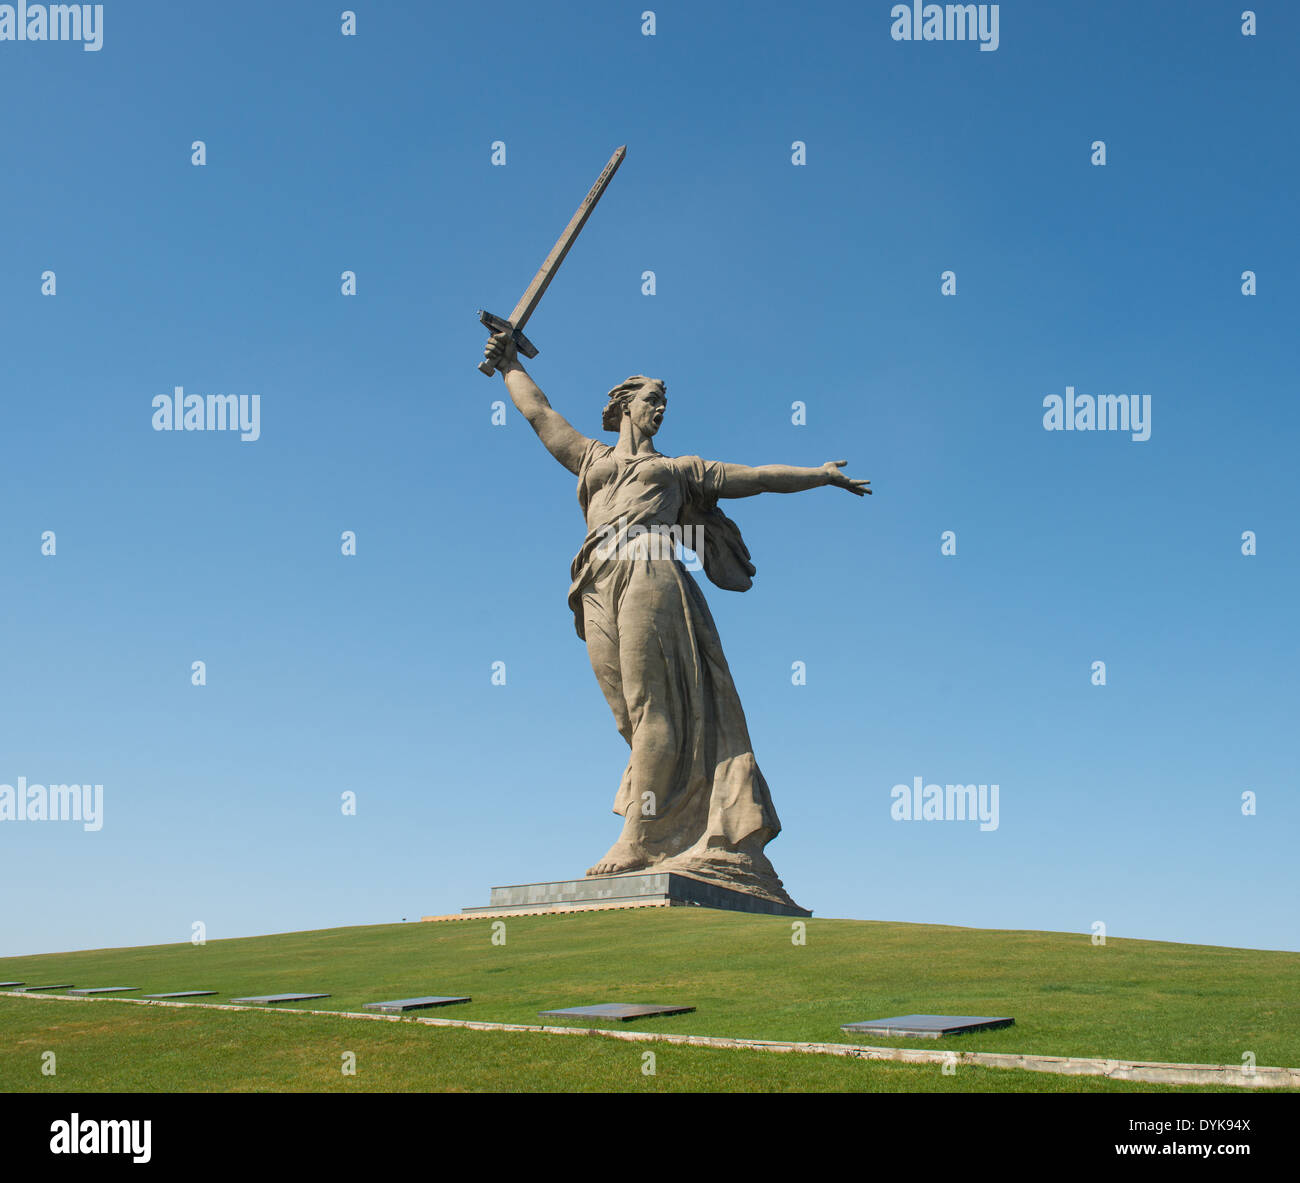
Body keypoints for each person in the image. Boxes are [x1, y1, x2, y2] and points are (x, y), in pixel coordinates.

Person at [483, 330, 869, 907]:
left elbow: (758, 477)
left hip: (649, 568)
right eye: (651, 399)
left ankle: (637, 840)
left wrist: (820, 474)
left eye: (665, 402)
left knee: (652, 706)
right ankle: (669, 821)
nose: (659, 409)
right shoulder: (589, 457)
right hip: (592, 580)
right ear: (623, 404)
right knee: (628, 719)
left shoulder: (680, 468)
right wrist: (510, 362)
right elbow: (539, 413)